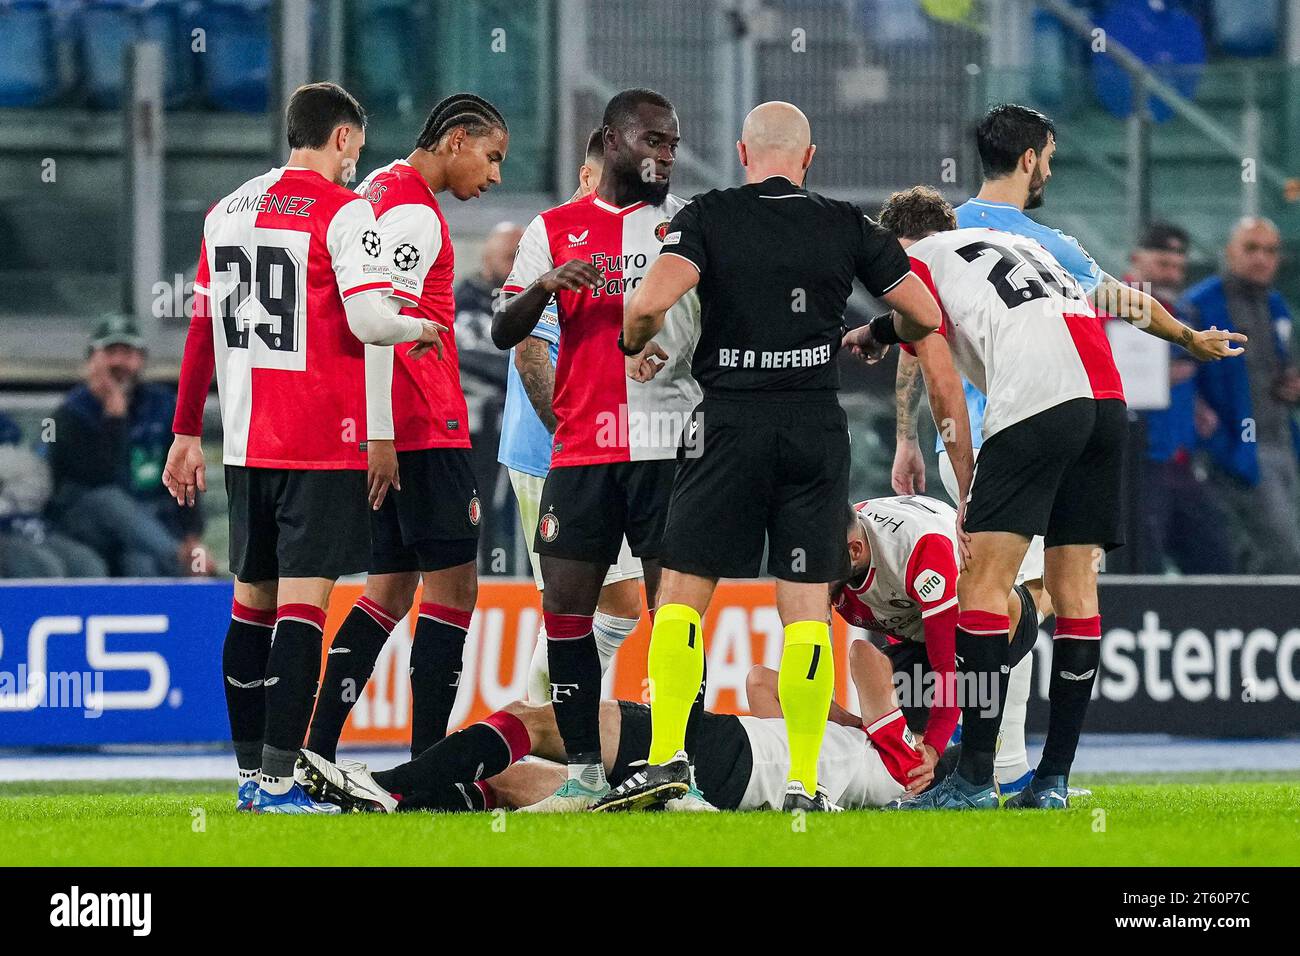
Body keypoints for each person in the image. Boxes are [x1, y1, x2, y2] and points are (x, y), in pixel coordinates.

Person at [598, 101, 942, 814]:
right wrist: (880, 327)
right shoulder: (847, 222)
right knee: (806, 614)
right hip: (813, 430)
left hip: (726, 426)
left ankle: (667, 760)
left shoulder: (709, 215)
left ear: (741, 153)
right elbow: (927, 315)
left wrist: (636, 342)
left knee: (683, 601)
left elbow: (645, 306)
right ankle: (804, 783)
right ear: (809, 158)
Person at [870, 185, 1244, 811]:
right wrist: (1186, 337)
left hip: (1034, 404)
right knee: (1075, 593)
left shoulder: (916, 266)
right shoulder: (1025, 246)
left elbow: (944, 388)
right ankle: (1053, 782)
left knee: (985, 586)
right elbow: (1119, 298)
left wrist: (966, 489)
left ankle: (974, 781)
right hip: (1104, 403)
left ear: (900, 243)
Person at [163, 81, 445, 814]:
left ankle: (252, 776)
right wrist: (420, 327)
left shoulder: (226, 209)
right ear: (344, 138)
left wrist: (186, 430)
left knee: (249, 605)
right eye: (357, 143)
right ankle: (283, 783)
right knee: (303, 610)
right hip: (318, 440)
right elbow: (370, 320)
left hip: (244, 441)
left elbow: (202, 329)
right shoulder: (345, 212)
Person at [491, 88, 704, 812]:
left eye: (673, 143)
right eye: (654, 141)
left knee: (672, 611)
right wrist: (546, 286)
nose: (666, 155)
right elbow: (504, 330)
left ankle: (679, 769)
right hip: (579, 454)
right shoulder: (554, 229)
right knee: (566, 613)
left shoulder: (689, 226)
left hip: (665, 449)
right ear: (612, 141)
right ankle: (584, 774)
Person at [305, 93, 509, 765]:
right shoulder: (416, 214)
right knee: (453, 592)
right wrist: (384, 436)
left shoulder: (377, 190)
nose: (495, 175)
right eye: (492, 155)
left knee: (386, 592)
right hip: (424, 426)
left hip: (391, 428)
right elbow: (380, 323)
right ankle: (428, 763)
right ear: (455, 139)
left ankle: (316, 751)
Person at [294, 635, 924, 813]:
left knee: (532, 721)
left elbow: (865, 655)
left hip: (724, 748)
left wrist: (884, 728)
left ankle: (388, 784)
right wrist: (844, 721)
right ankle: (409, 803)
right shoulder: (852, 751)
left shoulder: (904, 761)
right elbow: (763, 682)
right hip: (733, 785)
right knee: (518, 788)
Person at [498, 129, 645, 706]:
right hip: (550, 453)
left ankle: (552, 726)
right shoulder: (561, 243)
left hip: (602, 452)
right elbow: (530, 347)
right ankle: (538, 730)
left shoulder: (622, 248)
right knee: (578, 601)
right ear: (587, 177)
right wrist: (569, 440)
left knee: (617, 602)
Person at [830, 495, 1040, 789]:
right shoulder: (838, 547)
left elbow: (948, 665)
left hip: (992, 625)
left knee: (1021, 600)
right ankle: (948, 749)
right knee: (863, 658)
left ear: (855, 551)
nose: (812, 578)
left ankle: (976, 750)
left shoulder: (918, 550)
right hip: (921, 636)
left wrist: (933, 747)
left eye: (820, 568)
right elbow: (897, 621)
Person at [1181, 217, 1300, 574]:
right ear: (1229, 252)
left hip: (1281, 440)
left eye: (1270, 251)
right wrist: (1196, 409)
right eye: (1251, 248)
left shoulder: (1276, 305)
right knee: (1282, 549)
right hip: (1231, 445)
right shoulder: (1198, 304)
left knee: (1270, 546)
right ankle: (1275, 625)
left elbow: (1286, 365)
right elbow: (1180, 371)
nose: (1261, 258)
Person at [48, 317, 210, 577]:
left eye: (128, 354)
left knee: (140, 561)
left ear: (142, 359)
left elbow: (185, 469)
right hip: (84, 524)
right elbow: (100, 478)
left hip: (147, 527)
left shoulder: (161, 405)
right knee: (110, 500)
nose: (120, 363)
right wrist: (114, 418)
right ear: (92, 360)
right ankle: (179, 557)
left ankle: (174, 588)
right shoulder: (71, 413)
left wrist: (191, 533)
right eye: (111, 353)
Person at [1124, 222, 1233, 574]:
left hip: (1180, 457)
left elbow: (1189, 375)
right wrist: (1155, 377)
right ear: (1136, 259)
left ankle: (1219, 627)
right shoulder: (1113, 303)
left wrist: (1198, 405)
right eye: (1163, 264)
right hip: (1137, 458)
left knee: (1215, 558)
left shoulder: (1183, 312)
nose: (1172, 273)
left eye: (1178, 266)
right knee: (1142, 561)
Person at [0, 412, 107, 578]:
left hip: (32, 526)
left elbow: (36, 482)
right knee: (46, 566)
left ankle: (85, 606)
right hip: (5, 535)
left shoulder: (7, 432)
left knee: (88, 563)